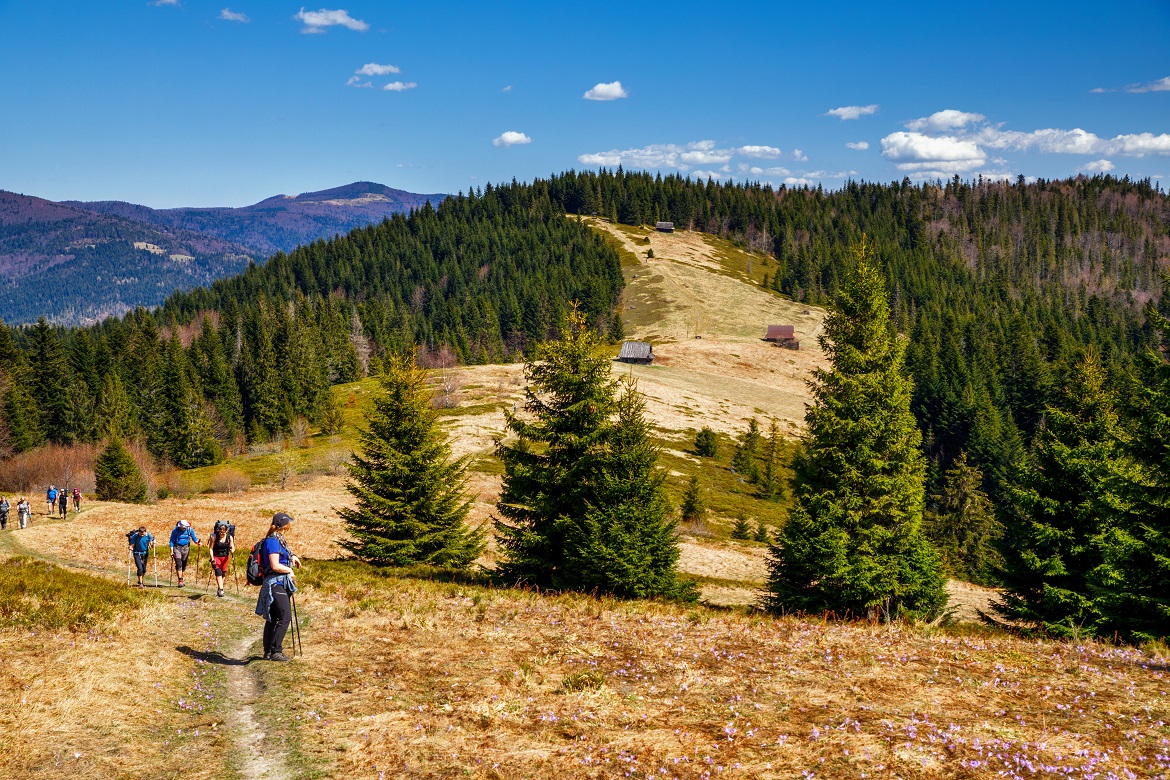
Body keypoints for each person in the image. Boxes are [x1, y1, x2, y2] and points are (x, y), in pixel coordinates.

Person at [255, 512, 301, 661]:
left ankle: (268, 652)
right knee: (284, 617)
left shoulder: (276, 539)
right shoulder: (273, 541)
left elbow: (283, 554)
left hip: (275, 583)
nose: (290, 525)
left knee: (273, 618)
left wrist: (292, 557)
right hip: (276, 583)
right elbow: (275, 565)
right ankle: (276, 651)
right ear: (284, 525)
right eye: (289, 523)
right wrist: (289, 570)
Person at [169, 519, 201, 587]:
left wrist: (198, 542)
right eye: (183, 527)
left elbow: (194, 539)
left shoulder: (190, 530)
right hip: (176, 548)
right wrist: (171, 551)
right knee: (178, 563)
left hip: (186, 548)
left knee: (183, 564)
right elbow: (171, 541)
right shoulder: (175, 530)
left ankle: (181, 579)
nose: (184, 528)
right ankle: (180, 580)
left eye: (185, 527)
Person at [209, 521, 235, 597]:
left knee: (223, 573)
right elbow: (210, 548)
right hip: (216, 557)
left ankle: (220, 588)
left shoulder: (229, 537)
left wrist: (231, 550)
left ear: (226, 531)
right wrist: (212, 558)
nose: (221, 534)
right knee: (218, 572)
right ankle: (221, 589)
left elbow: (233, 547)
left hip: (225, 557)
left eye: (223, 533)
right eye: (220, 532)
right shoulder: (214, 537)